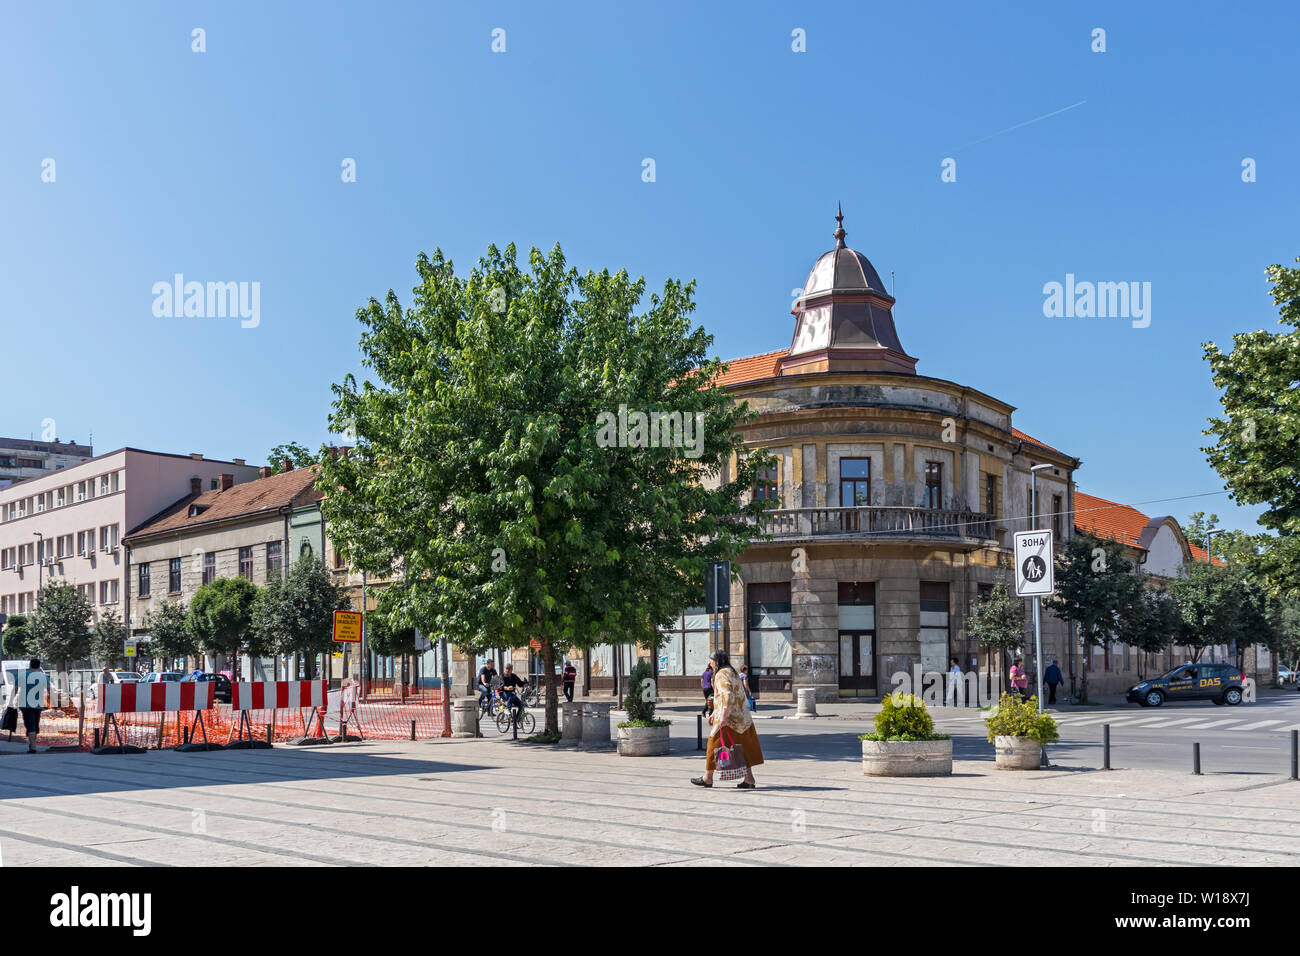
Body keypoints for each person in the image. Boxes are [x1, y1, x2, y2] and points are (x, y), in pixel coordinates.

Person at [691, 650, 763, 789]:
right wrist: (715, 712)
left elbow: (728, 695)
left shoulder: (721, 674)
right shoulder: (732, 671)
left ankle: (708, 778)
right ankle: (749, 779)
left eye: (711, 660)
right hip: (743, 719)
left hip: (729, 719)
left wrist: (723, 716)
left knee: (713, 745)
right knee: (742, 749)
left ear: (716, 661)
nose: (710, 663)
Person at [12, 658, 48, 754]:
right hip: (38, 704)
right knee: (35, 724)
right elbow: (49, 689)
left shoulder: (22, 675)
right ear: (39, 666)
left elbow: (15, 689)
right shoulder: (43, 676)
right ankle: (33, 745)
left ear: (30, 665)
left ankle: (32, 746)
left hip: (25, 704)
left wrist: (11, 701)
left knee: (30, 724)